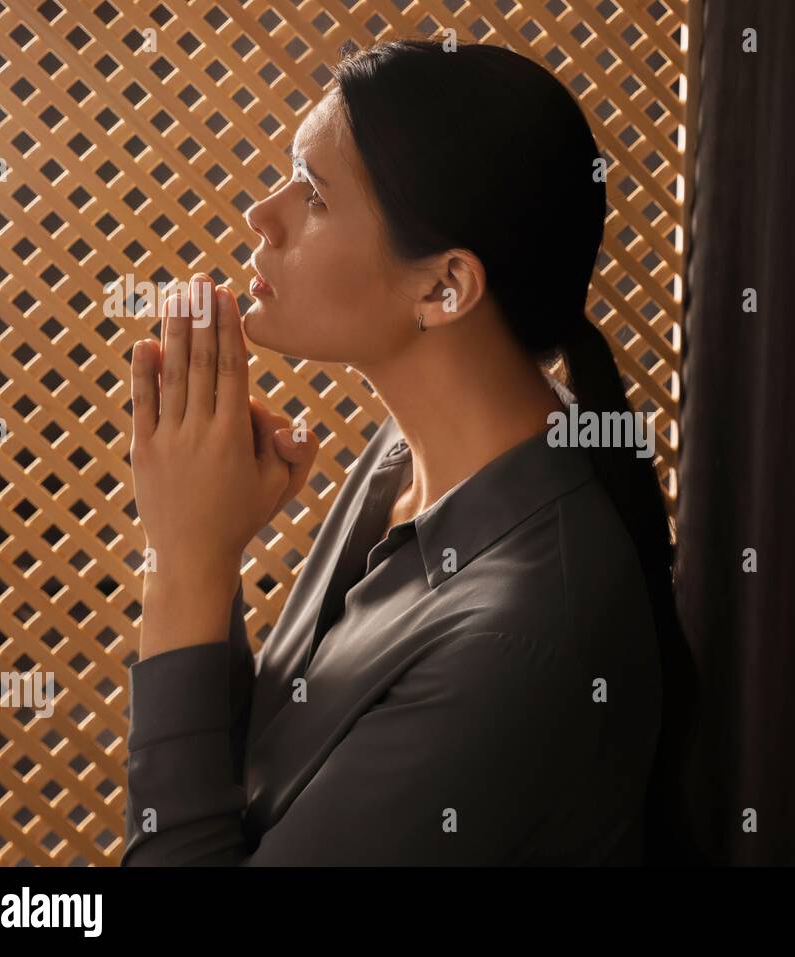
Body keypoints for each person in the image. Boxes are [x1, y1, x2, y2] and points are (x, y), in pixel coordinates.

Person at [120, 39, 693, 865]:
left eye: (312, 195)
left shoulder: (516, 645)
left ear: (443, 287)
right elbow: (251, 781)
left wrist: (185, 564)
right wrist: (201, 546)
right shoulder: (410, 460)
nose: (263, 214)